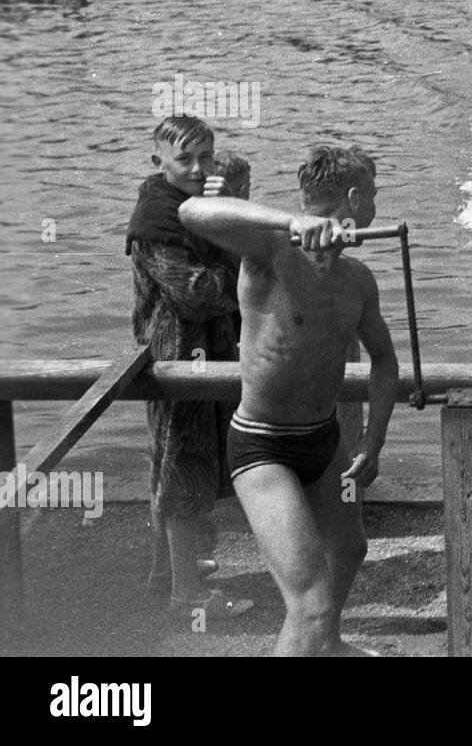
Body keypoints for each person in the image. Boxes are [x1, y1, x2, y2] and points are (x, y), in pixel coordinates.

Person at [179, 145, 401, 656]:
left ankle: (328, 648)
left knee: (349, 550)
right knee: (311, 604)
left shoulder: (358, 281)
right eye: (371, 192)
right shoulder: (272, 254)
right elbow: (192, 212)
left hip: (323, 444)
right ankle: (315, 638)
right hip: (263, 449)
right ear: (353, 197)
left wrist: (373, 438)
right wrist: (290, 221)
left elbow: (385, 362)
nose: (375, 202)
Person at [127, 116, 251, 621]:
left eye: (206, 157)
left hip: (204, 355)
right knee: (183, 467)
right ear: (159, 162)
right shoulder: (156, 218)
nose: (198, 169)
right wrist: (244, 268)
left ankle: (168, 575)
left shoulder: (194, 206)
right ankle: (188, 598)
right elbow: (195, 294)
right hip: (177, 357)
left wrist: (226, 213)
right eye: (185, 160)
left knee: (182, 464)